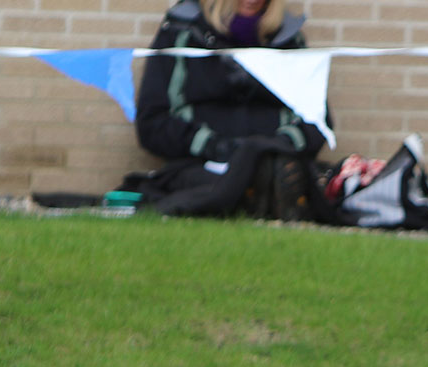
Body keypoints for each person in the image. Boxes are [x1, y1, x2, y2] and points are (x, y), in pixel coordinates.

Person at [134, 0, 329, 215]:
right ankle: (256, 197)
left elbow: (318, 121)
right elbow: (152, 121)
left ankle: (263, 193)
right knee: (218, 186)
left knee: (282, 172)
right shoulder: (181, 33)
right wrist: (213, 146)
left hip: (273, 162)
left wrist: (271, 147)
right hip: (200, 164)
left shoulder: (290, 41)